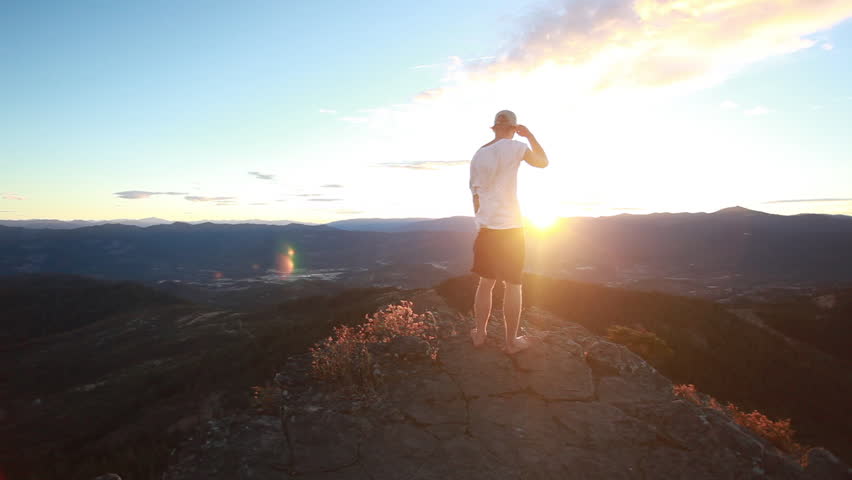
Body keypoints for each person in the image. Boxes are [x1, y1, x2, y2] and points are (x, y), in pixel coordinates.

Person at [468, 109, 548, 354]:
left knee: (485, 283)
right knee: (513, 285)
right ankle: (512, 342)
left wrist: (481, 220)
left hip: (487, 227)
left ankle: (480, 334)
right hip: (512, 227)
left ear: (494, 127)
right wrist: (530, 136)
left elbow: (475, 195)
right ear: (514, 128)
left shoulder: (479, 154)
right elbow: (542, 162)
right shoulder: (516, 147)